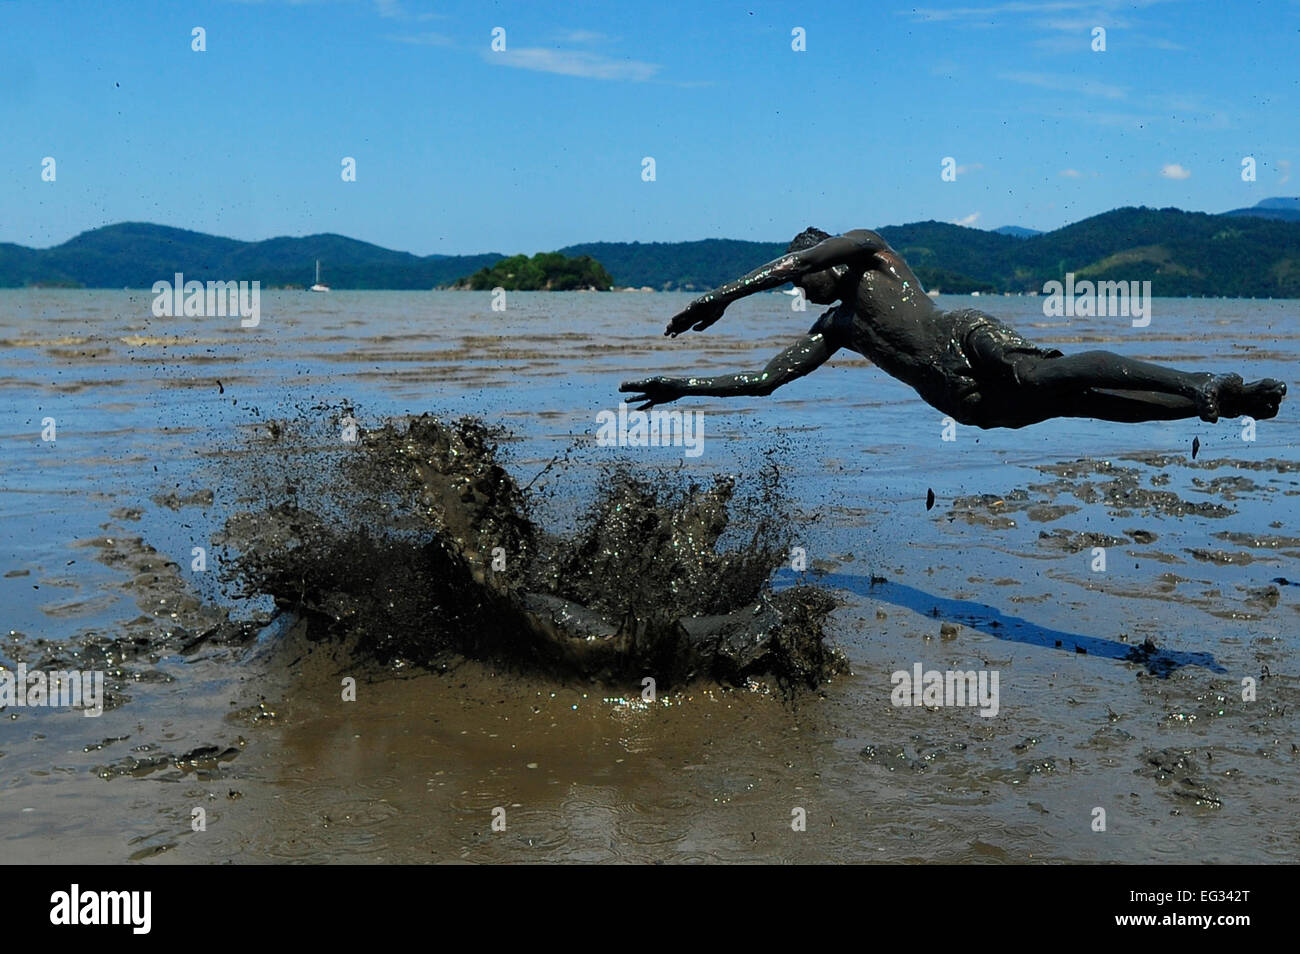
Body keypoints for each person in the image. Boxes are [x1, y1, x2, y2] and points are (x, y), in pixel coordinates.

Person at [619, 227, 1287, 428]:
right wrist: (683, 386)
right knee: (1079, 404)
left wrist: (718, 298)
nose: (801, 287)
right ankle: (1222, 403)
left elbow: (793, 263)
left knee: (1045, 375)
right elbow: (765, 380)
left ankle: (1201, 382)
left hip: (966, 340)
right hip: (966, 404)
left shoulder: (871, 253)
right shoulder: (837, 328)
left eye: (805, 277)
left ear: (827, 260)